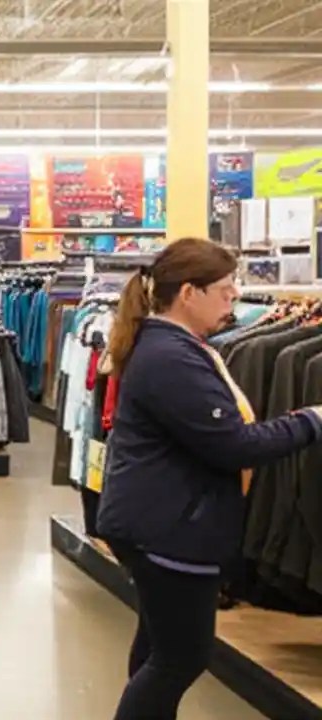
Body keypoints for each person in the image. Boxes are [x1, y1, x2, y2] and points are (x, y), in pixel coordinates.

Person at [97, 237, 322, 720]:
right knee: (181, 658)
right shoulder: (171, 358)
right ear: (188, 294)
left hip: (157, 519)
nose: (235, 297)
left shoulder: (170, 347)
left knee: (160, 647)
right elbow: (233, 444)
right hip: (171, 529)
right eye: (225, 288)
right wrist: (310, 420)